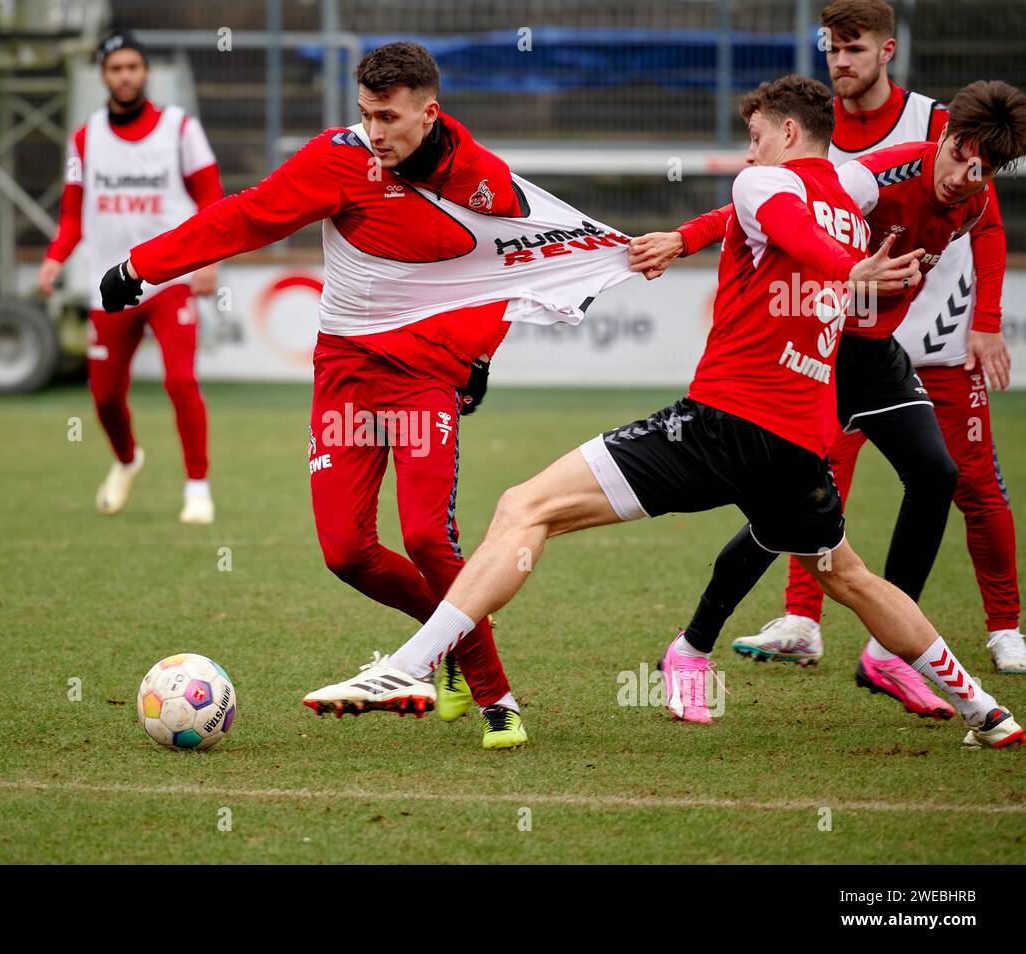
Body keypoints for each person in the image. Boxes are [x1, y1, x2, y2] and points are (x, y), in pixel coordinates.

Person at [304, 75, 1023, 751]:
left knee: (527, 508)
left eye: (755, 134)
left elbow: (783, 222)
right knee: (848, 575)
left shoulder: (765, 182)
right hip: (802, 441)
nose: (747, 149)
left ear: (788, 130)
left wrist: (843, 267)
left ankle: (410, 664)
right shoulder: (853, 186)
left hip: (720, 424)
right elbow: (834, 206)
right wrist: (753, 247)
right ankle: (984, 711)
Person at [99, 42, 639, 748]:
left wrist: (475, 355)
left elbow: (511, 269)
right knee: (346, 552)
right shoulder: (339, 160)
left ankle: (496, 695)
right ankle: (443, 636)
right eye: (363, 115)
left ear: (428, 113)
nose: (373, 132)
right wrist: (145, 265)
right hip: (347, 374)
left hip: (423, 378)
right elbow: (246, 216)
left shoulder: (482, 179)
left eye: (386, 117)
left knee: (423, 534)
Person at [634, 0, 1025, 700]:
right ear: (949, 136)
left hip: (878, 358)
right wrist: (684, 237)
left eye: (985, 171)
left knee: (937, 475)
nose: (967, 178)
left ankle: (890, 650)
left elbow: (984, 232)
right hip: (826, 355)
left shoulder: (975, 196)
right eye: (962, 159)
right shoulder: (880, 174)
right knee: (785, 517)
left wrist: (985, 318)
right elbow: (770, 199)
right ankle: (693, 644)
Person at [40, 31, 222, 523]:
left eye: (133, 67)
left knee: (181, 380)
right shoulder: (85, 137)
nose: (125, 76)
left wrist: (208, 259)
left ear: (145, 73)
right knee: (104, 396)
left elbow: (211, 200)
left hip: (169, 279)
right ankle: (127, 460)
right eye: (115, 68)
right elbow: (73, 215)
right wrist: (56, 257)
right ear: (103, 74)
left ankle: (197, 488)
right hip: (109, 286)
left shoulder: (181, 128)